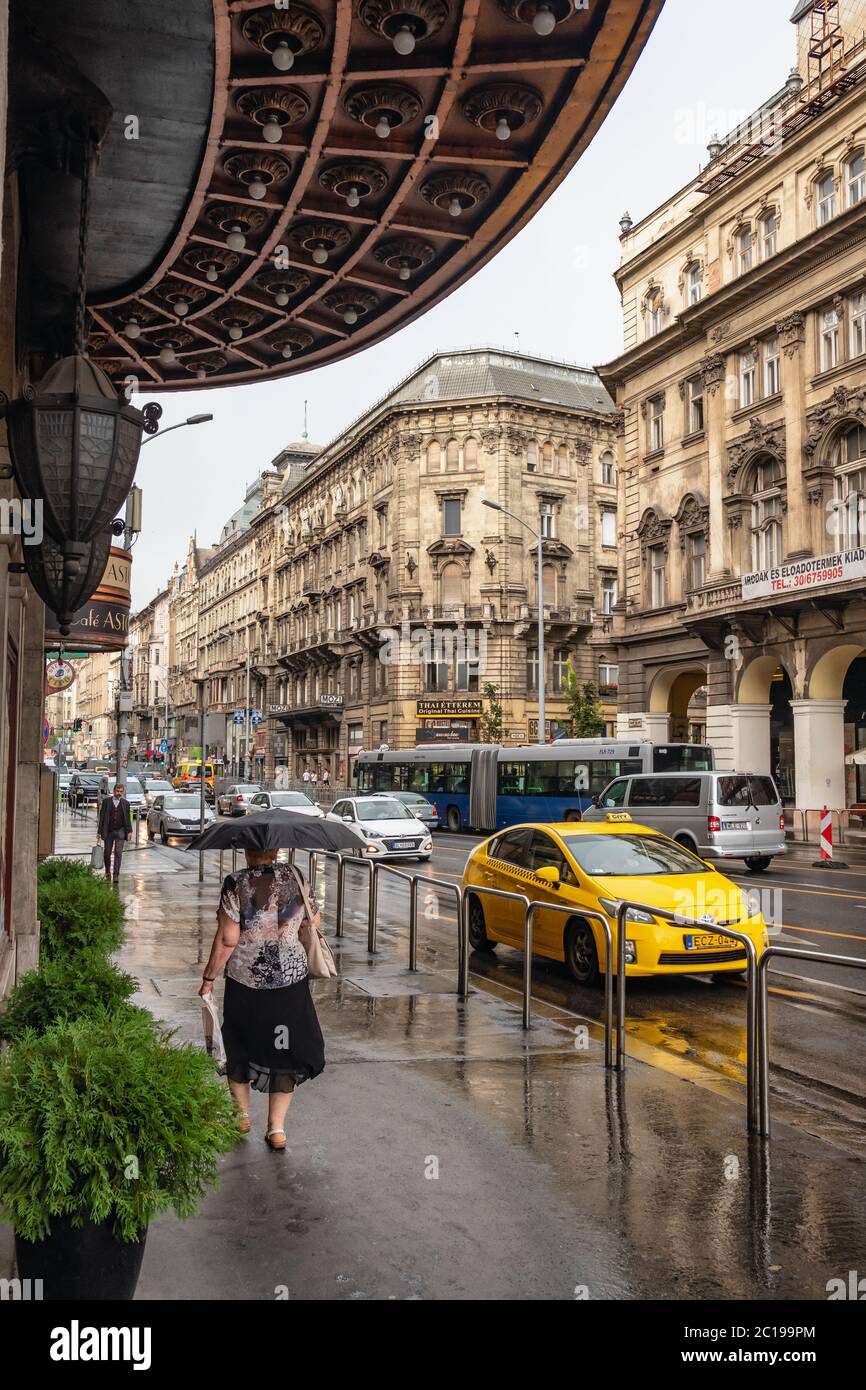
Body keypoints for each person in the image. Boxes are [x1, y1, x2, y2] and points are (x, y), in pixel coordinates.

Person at [199, 850, 325, 1151]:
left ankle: (241, 1115)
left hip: (246, 980)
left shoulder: (236, 883)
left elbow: (228, 938)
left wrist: (208, 977)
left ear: (248, 851)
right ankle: (277, 1129)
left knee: (239, 1043)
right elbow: (315, 920)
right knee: (283, 1050)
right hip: (290, 981)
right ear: (274, 850)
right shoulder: (296, 877)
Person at [97, 782, 133, 882]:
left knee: (118, 853)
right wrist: (99, 832)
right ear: (113, 791)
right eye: (117, 791)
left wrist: (129, 831)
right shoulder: (106, 802)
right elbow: (102, 817)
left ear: (123, 792)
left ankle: (116, 874)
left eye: (121, 791)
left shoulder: (125, 803)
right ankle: (107, 871)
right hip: (108, 831)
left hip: (120, 831)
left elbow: (127, 819)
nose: (119, 793)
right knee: (107, 853)